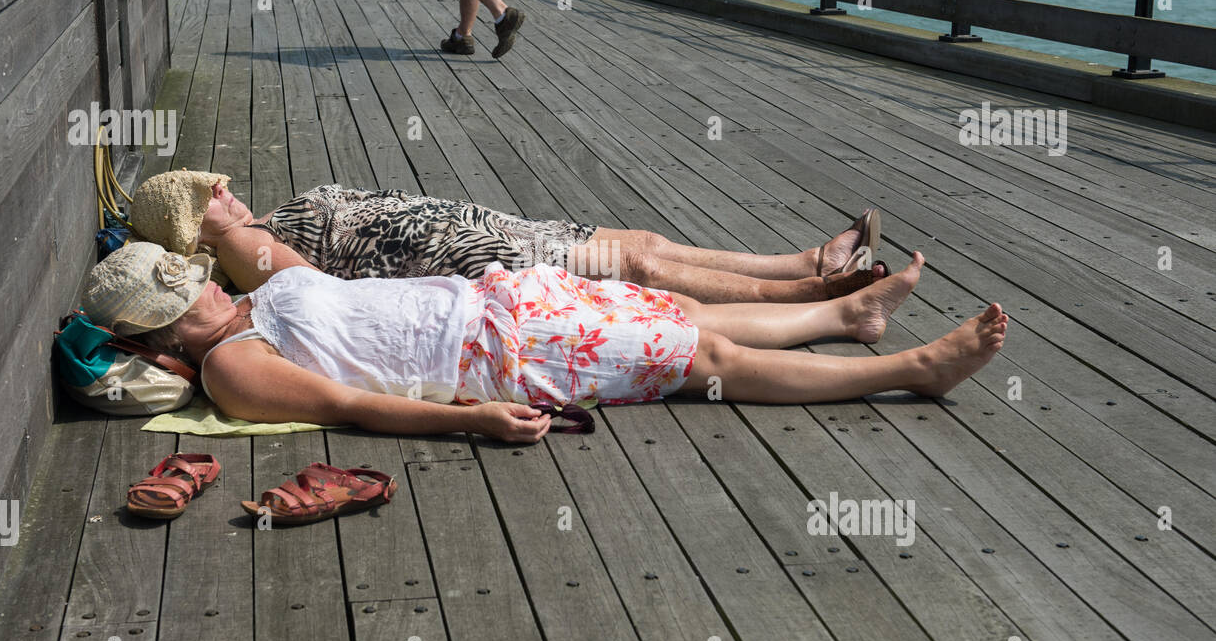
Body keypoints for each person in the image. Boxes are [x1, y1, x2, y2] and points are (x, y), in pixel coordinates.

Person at [82, 243, 1007, 444]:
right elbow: (351, 405)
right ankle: (912, 371)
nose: (198, 278)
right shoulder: (233, 367)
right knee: (701, 361)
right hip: (497, 354)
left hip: (500, 299)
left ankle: (845, 318)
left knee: (683, 316)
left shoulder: (245, 302)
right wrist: (473, 420)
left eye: (187, 267)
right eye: (181, 291)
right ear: (162, 334)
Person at [128, 170, 888, 305]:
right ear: (199, 229)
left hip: (487, 228)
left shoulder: (260, 224)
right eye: (210, 196)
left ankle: (803, 260)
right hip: (474, 256)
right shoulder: (242, 252)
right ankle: (809, 288)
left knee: (644, 240)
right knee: (641, 267)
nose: (223, 188)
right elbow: (315, 290)